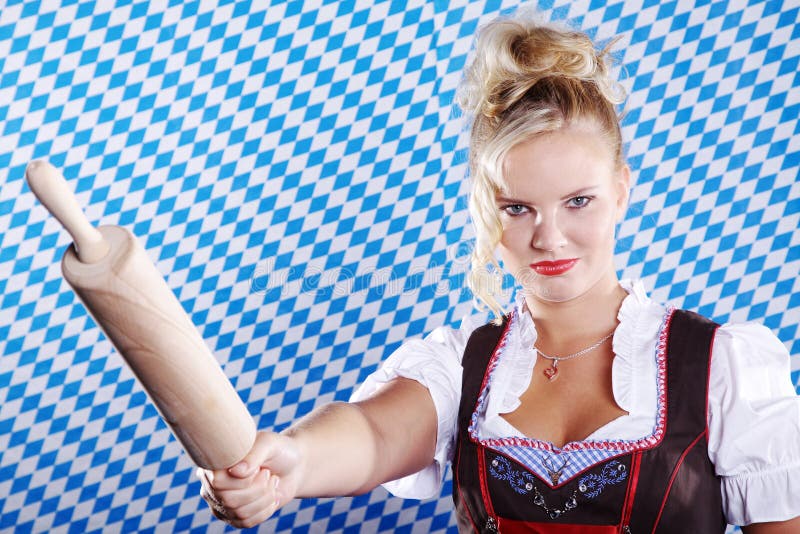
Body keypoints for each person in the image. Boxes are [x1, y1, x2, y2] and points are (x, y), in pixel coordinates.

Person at [197, 11, 800, 533]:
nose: (549, 236)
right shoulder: (465, 365)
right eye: (518, 208)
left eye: (578, 201)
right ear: (489, 211)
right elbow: (374, 434)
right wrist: (293, 459)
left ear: (621, 191)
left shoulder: (720, 367)